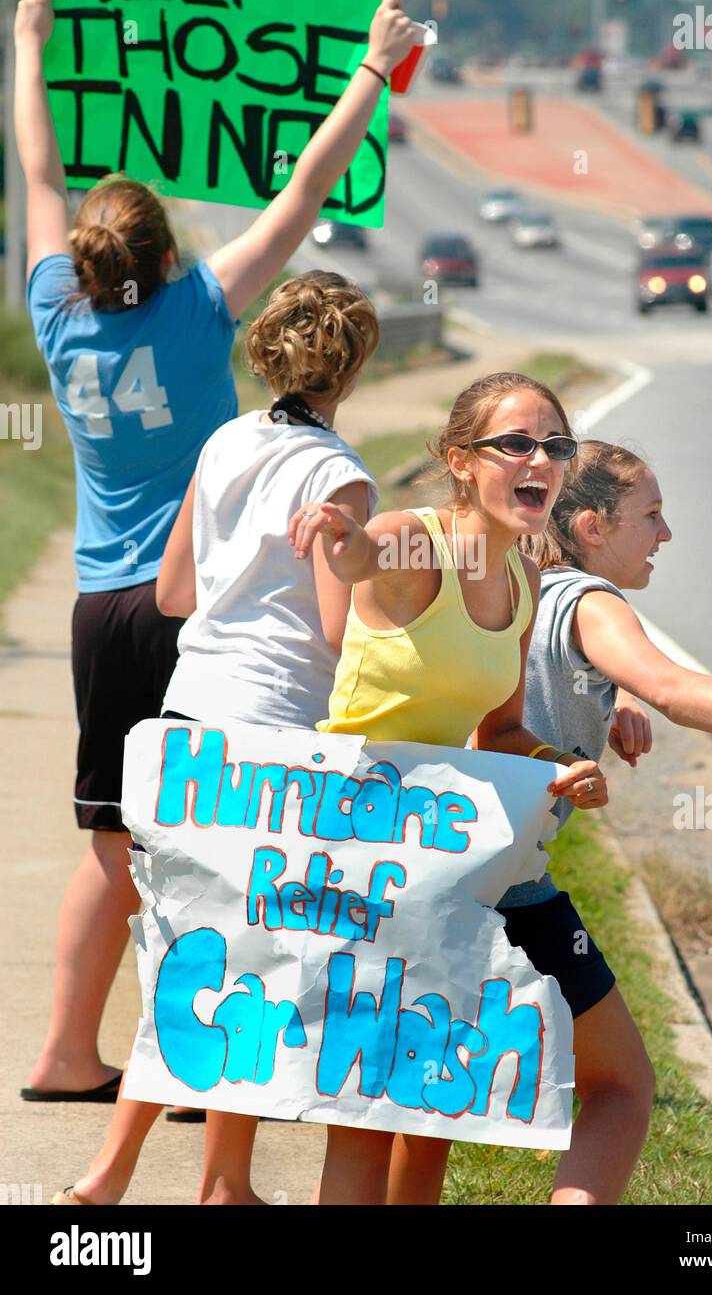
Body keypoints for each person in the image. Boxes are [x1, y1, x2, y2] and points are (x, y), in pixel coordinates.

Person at [16, 0, 412, 1127]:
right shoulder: (196, 313)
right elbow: (304, 189)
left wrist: (25, 42)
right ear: (166, 252)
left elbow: (37, 172)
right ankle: (197, 1056)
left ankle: (64, 1051)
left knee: (108, 836)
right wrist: (375, 67)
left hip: (96, 606)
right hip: (187, 610)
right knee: (208, 839)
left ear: (88, 260)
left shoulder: (53, 311)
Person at [388, 439, 712, 1205]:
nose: (667, 534)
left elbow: (547, 675)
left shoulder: (513, 579)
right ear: (595, 529)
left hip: (422, 863)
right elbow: (672, 684)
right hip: (506, 886)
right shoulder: (592, 603)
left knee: (426, 1097)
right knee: (621, 1088)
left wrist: (614, 695)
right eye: (652, 515)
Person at [56, 270, 384, 1205]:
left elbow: (172, 596)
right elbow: (335, 629)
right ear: (352, 367)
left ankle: (138, 1176)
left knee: (190, 952)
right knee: (259, 964)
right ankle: (213, 1185)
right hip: (276, 732)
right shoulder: (339, 475)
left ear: (265, 352)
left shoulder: (225, 440)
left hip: (190, 716)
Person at [288, 371, 610, 1204]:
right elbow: (367, 552)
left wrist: (557, 764)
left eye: (555, 446)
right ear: (461, 460)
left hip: (440, 862)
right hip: (354, 852)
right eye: (515, 444)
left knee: (434, 1107)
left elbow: (498, 732)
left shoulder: (526, 580)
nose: (539, 460)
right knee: (363, 1111)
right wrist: (340, 535)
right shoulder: (417, 541)